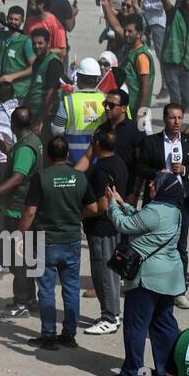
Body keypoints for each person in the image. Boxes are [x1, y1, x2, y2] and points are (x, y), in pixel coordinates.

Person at [107, 172, 186, 376]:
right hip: (168, 277)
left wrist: (113, 205)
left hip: (148, 278)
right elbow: (142, 221)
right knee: (163, 323)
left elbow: (124, 225)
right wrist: (124, 204)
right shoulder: (173, 210)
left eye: (155, 182)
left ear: (164, 188)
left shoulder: (155, 210)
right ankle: (166, 367)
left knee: (135, 325)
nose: (150, 184)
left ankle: (132, 371)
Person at [20, 135, 93, 349]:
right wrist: (74, 217)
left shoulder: (41, 177)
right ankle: (69, 335)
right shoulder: (79, 177)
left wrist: (20, 233)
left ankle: (49, 335)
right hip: (71, 241)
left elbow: (30, 212)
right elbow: (94, 208)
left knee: (46, 289)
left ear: (49, 155)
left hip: (46, 241)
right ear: (68, 154)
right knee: (71, 288)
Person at [0, 105, 43, 318]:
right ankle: (29, 299)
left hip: (17, 212)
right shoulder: (32, 141)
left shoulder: (25, 148)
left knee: (17, 260)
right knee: (25, 259)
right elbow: (12, 150)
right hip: (24, 209)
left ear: (13, 124)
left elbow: (18, 177)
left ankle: (21, 303)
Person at [137, 103, 189, 308]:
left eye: (180, 118)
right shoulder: (151, 141)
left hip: (181, 201)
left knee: (180, 246)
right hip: (157, 202)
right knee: (153, 244)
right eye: (173, 118)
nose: (177, 122)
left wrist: (184, 169)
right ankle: (151, 286)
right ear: (165, 119)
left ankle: (179, 289)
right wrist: (158, 174)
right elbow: (139, 167)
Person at [78, 125, 127, 335]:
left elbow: (102, 206)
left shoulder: (101, 171)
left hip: (101, 229)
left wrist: (78, 215)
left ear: (97, 144)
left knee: (103, 274)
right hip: (113, 227)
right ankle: (112, 313)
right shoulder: (118, 163)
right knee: (111, 274)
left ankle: (110, 316)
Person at [1, 26, 62, 136]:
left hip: (45, 117)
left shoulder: (53, 63)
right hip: (33, 113)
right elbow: (34, 86)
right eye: (34, 44)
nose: (36, 46)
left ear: (48, 43)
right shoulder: (37, 62)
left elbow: (51, 95)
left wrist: (40, 121)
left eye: (40, 43)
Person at [51, 57, 104, 162]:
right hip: (99, 158)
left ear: (78, 78)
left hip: (73, 160)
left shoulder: (68, 101)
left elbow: (56, 130)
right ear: (97, 79)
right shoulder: (105, 99)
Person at [0, 6, 34, 103]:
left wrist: (12, 77)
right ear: (7, 18)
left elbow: (34, 67)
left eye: (16, 19)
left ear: (22, 22)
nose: (13, 22)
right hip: (1, 90)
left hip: (18, 93)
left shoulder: (25, 42)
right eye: (10, 18)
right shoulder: (1, 34)